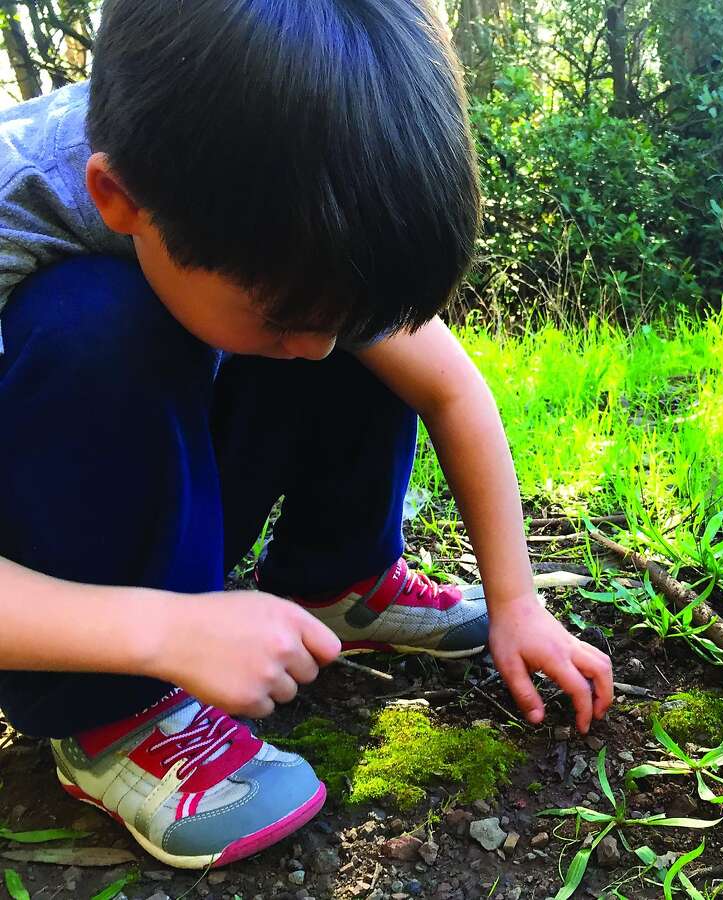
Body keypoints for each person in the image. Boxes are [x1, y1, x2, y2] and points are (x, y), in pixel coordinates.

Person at [0, 0, 612, 870]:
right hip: (45, 550)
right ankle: (112, 713)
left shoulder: (286, 181)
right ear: (116, 198)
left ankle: (339, 573)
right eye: (287, 317)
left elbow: (450, 388)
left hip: (180, 475)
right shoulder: (27, 207)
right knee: (94, 320)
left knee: (358, 333)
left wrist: (518, 603)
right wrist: (159, 631)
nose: (317, 352)